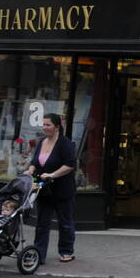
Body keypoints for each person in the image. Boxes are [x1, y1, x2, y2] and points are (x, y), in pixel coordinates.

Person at [27, 113, 78, 264]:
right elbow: (34, 162)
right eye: (43, 125)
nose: (45, 128)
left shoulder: (65, 143)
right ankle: (39, 254)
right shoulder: (41, 142)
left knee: (65, 222)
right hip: (44, 188)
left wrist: (53, 174)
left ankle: (66, 251)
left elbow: (69, 165)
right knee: (42, 223)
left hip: (62, 189)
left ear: (57, 127)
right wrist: (30, 170)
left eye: (48, 125)